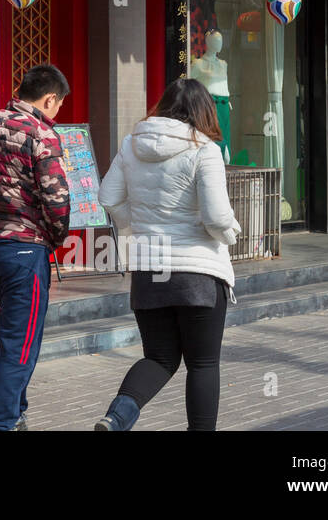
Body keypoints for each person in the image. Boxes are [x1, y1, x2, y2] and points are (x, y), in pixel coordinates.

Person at [93, 77, 241, 431]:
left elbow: (108, 198)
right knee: (203, 363)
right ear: (204, 112)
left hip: (148, 269)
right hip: (199, 273)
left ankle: (116, 417)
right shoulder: (205, 149)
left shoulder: (131, 145)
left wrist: (139, 226)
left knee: (159, 357)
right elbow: (217, 217)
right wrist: (231, 235)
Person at [0, 64, 71, 432]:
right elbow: (57, 199)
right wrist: (55, 239)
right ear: (50, 97)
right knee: (20, 343)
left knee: (18, 335)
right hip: (24, 250)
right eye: (59, 104)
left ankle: (15, 412)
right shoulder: (42, 134)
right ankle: (2, 423)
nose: (57, 112)